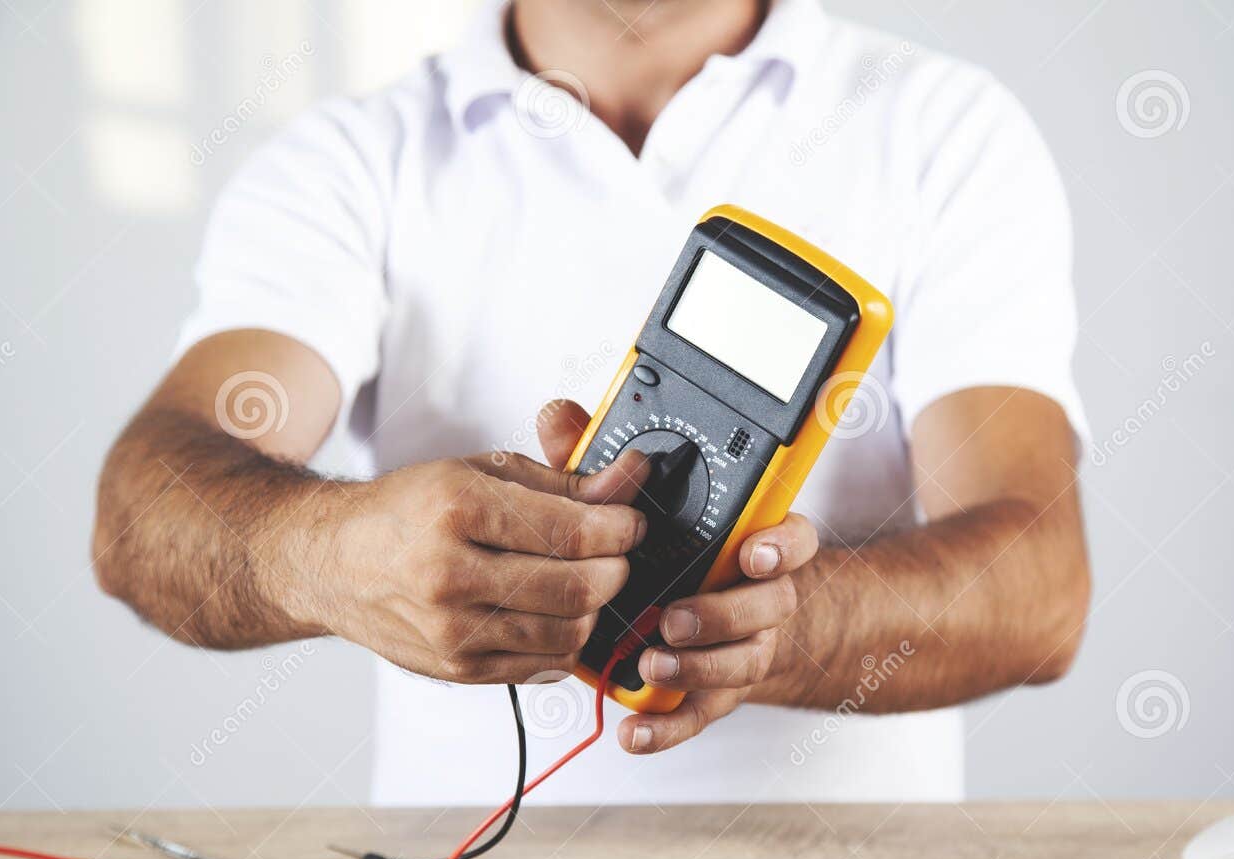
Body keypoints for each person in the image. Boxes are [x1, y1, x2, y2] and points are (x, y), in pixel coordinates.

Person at [92, 0, 1091, 806]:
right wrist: (335, 550)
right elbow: (143, 513)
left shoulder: (942, 126)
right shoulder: (348, 161)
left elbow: (1040, 590)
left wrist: (779, 626)